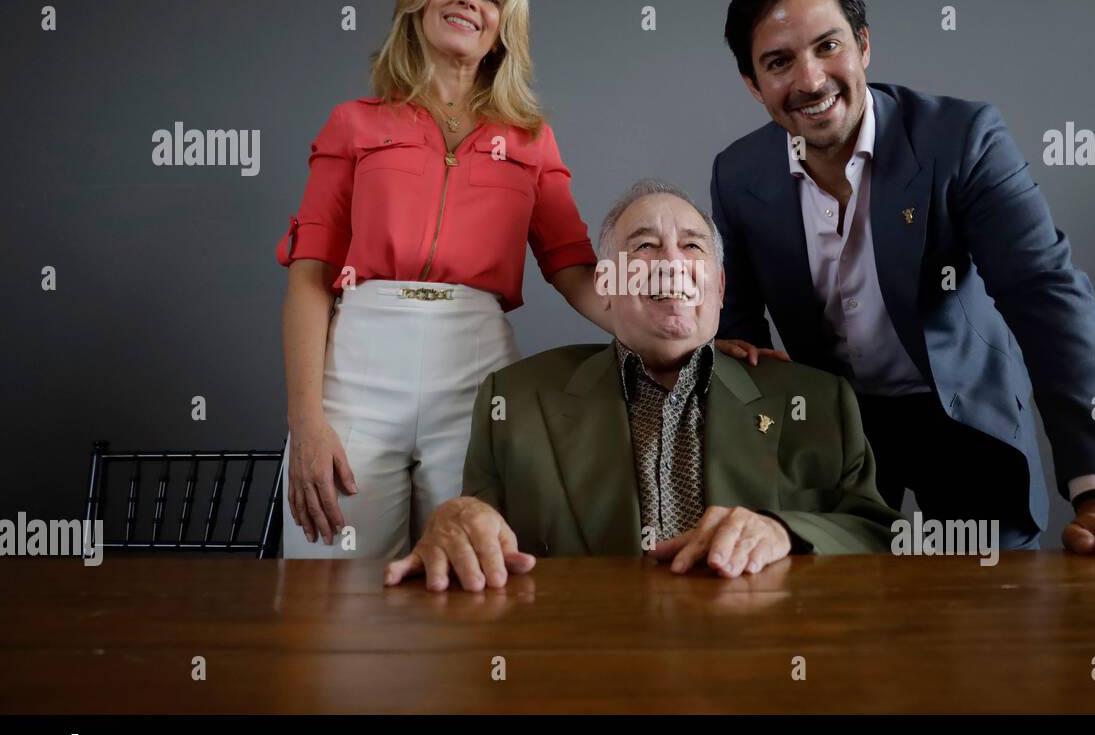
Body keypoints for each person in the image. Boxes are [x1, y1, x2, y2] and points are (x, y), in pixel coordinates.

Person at [709, 0, 1095, 565]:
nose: (809, 79)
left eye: (828, 46)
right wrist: (757, 459)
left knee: (992, 631)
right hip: (830, 429)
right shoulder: (738, 173)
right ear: (753, 84)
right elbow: (736, 333)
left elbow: (1044, 293)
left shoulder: (961, 140)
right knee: (823, 628)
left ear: (862, 45)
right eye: (779, 62)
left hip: (962, 416)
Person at [276, 0, 612, 559]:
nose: (468, 0)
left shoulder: (532, 139)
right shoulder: (354, 123)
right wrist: (306, 424)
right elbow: (309, 277)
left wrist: (677, 327)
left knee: (472, 576)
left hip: (477, 368)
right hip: (357, 367)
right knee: (334, 583)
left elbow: (575, 270)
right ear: (420, 0)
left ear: (503, 27)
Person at [384, 180, 900, 591]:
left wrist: (784, 532)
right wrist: (454, 519)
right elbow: (479, 533)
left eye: (692, 246)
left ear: (718, 288)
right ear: (606, 286)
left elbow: (879, 535)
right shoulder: (515, 400)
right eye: (645, 246)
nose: (671, 262)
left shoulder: (816, 399)